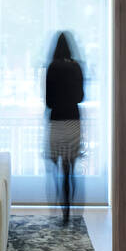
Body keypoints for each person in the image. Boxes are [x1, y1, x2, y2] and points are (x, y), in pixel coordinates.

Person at [44, 31, 84, 225]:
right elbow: (80, 98)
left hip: (57, 122)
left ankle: (61, 209)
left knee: (56, 169)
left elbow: (48, 101)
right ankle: (69, 211)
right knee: (70, 169)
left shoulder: (51, 67)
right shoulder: (76, 67)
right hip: (74, 122)